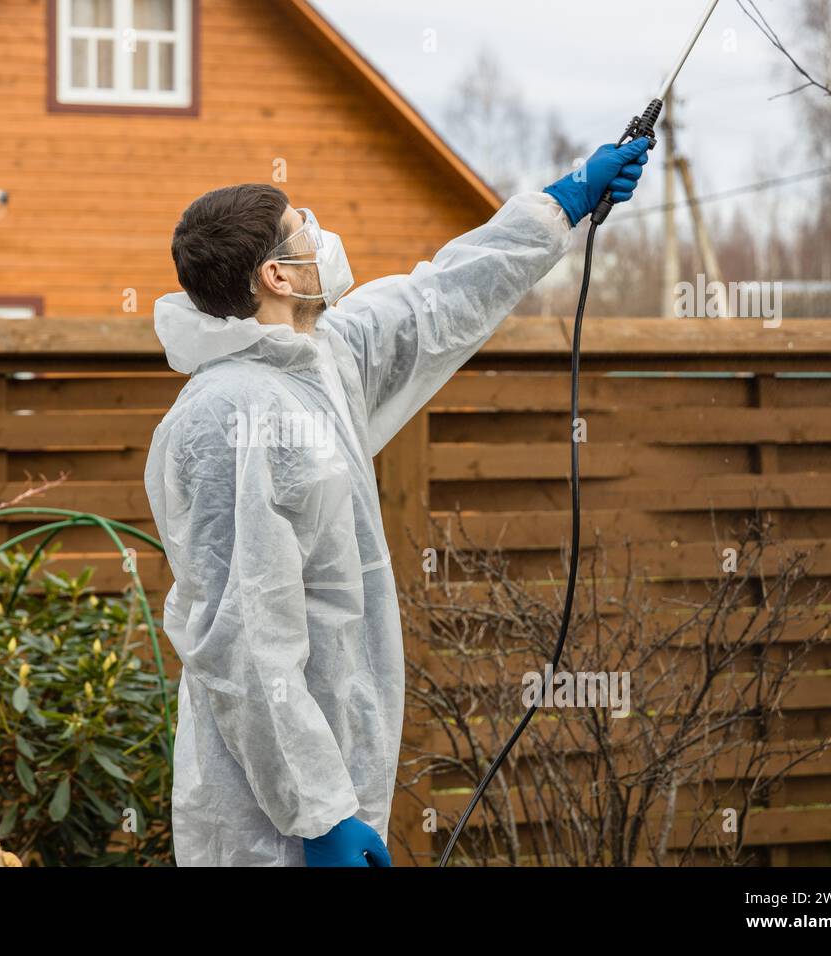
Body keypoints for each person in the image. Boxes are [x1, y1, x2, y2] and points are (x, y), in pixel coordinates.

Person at [144, 140, 652, 867]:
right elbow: (245, 644)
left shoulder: (321, 363)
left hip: (337, 790)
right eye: (303, 229)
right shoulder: (228, 419)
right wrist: (318, 818)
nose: (322, 237)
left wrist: (562, 203)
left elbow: (437, 298)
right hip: (264, 825)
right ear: (276, 274)